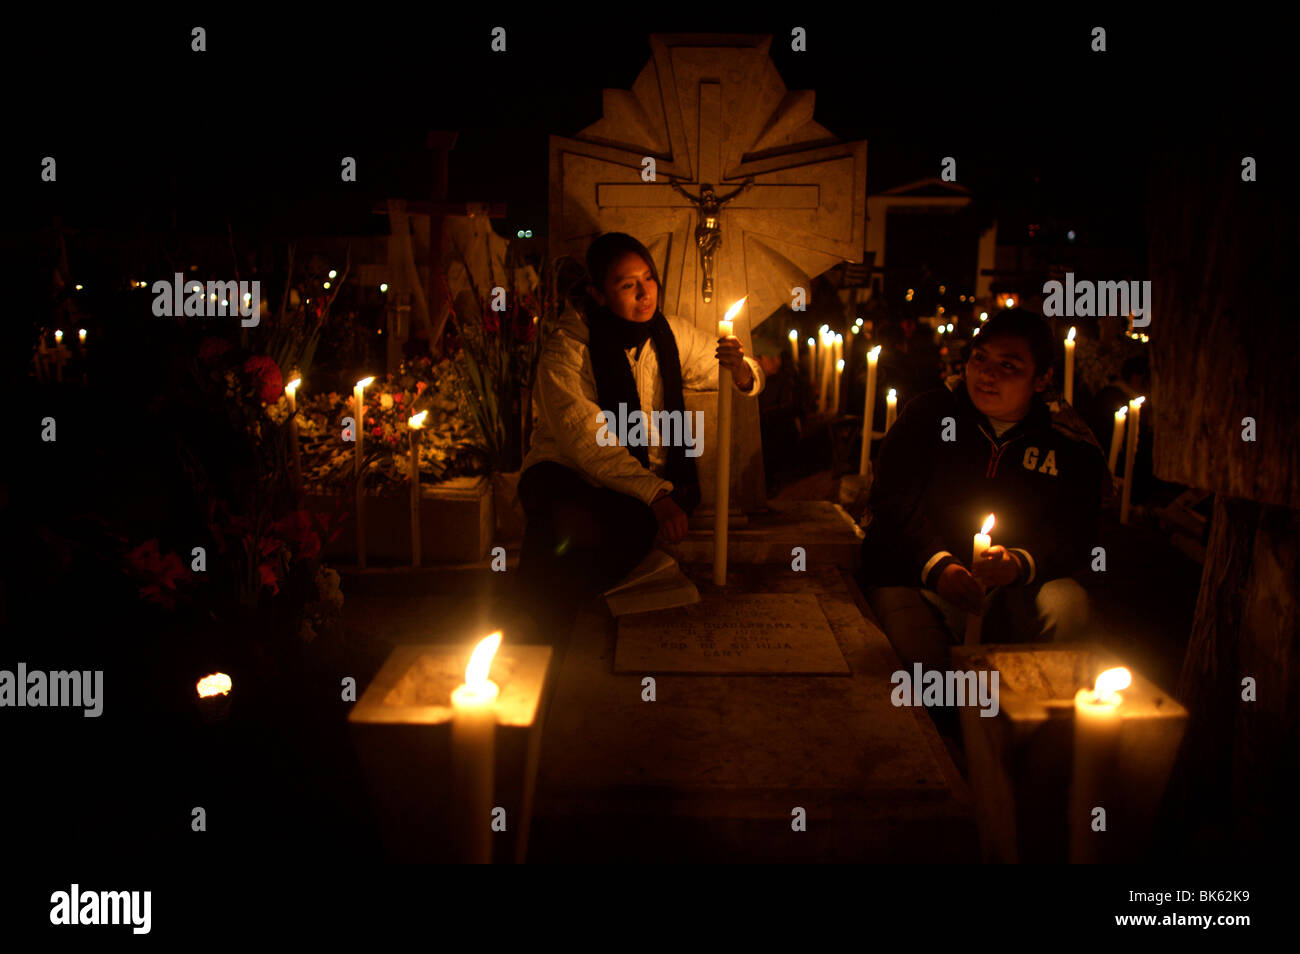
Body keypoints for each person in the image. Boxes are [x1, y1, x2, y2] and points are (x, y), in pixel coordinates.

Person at [513, 232, 764, 648]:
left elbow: (731, 366)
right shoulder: (569, 348)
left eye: (648, 279)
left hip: (635, 483)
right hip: (566, 470)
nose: (645, 293)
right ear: (596, 292)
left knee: (628, 527)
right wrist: (656, 495)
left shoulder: (669, 334)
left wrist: (742, 372)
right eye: (627, 285)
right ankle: (536, 627)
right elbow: (586, 440)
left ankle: (543, 618)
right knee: (564, 526)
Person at [859, 308, 1108, 672]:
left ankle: (1033, 714)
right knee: (922, 669)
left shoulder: (1068, 445)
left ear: (1042, 379)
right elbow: (893, 503)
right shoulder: (928, 417)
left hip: (1018, 590)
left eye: (1008, 366)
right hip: (916, 580)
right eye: (980, 359)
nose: (987, 374)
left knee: (1069, 607)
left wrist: (1019, 563)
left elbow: (1076, 533)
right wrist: (938, 565)